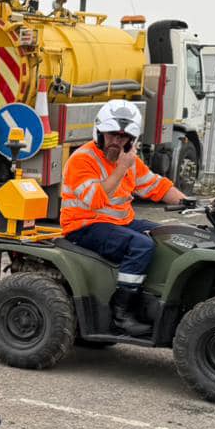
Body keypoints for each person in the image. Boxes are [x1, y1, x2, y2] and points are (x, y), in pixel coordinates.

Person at [59, 99, 189, 336]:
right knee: (141, 245)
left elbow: (155, 186)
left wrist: (188, 202)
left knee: (167, 236)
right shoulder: (82, 159)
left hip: (119, 222)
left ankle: (151, 298)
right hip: (84, 226)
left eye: (123, 137)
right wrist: (121, 167)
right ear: (99, 132)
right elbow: (95, 199)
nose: (116, 141)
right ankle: (121, 313)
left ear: (132, 140)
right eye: (111, 135)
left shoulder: (130, 162)